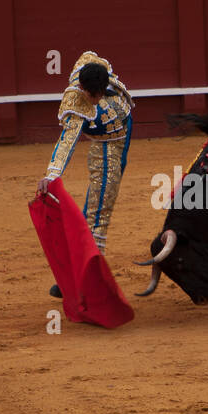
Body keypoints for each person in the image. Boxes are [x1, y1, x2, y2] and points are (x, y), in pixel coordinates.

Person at [36, 51, 136, 292]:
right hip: (106, 147)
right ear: (83, 88)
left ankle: (78, 272)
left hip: (123, 131)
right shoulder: (76, 103)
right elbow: (67, 141)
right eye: (93, 94)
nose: (97, 97)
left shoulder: (93, 68)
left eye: (100, 91)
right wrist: (52, 174)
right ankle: (86, 277)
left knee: (97, 206)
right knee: (99, 212)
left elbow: (88, 55)